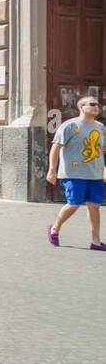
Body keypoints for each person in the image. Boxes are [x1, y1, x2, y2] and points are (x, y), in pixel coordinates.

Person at [46, 96, 106, 249]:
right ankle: (55, 228)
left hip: (95, 174)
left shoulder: (100, 127)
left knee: (94, 206)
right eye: (92, 104)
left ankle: (95, 241)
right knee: (74, 203)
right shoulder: (69, 125)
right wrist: (52, 170)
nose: (96, 107)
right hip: (73, 173)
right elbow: (56, 148)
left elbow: (102, 150)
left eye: (97, 105)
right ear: (82, 107)